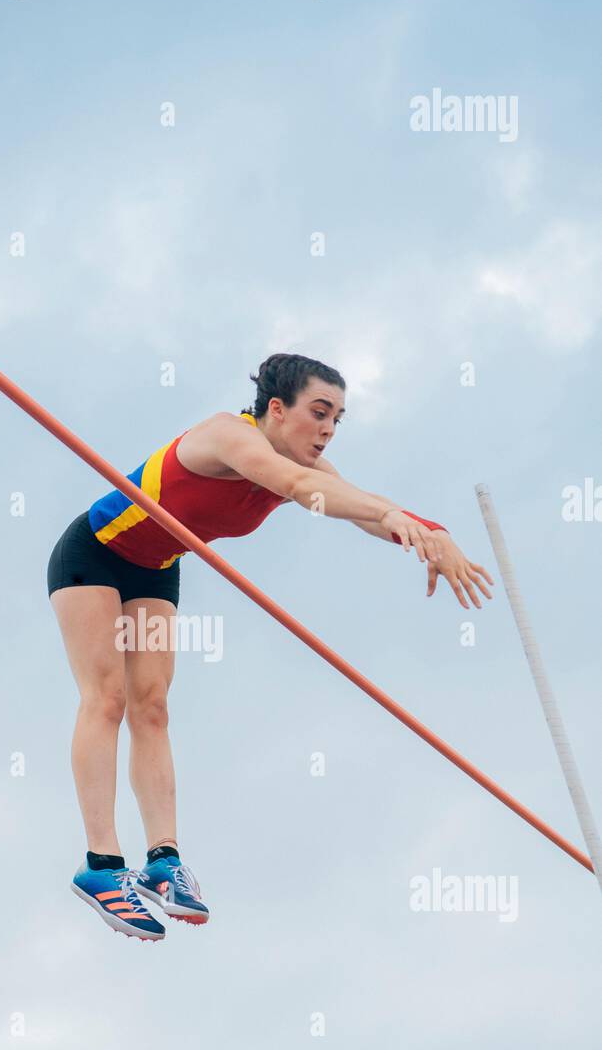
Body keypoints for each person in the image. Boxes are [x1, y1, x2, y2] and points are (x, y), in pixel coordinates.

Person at [46, 353, 493, 942]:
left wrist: (433, 532)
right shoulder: (231, 436)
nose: (329, 428)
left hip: (155, 568)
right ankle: (102, 867)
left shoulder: (307, 465)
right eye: (319, 412)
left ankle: (163, 862)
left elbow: (364, 512)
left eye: (338, 417)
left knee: (151, 708)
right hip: (95, 553)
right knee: (106, 699)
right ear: (277, 410)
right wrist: (402, 519)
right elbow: (298, 487)